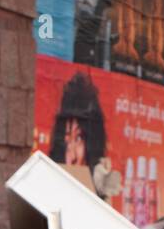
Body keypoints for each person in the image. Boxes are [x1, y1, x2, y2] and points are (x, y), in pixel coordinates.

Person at [48, 71, 116, 200]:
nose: (71, 156)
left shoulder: (99, 180)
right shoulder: (51, 180)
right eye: (67, 139)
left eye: (78, 139)